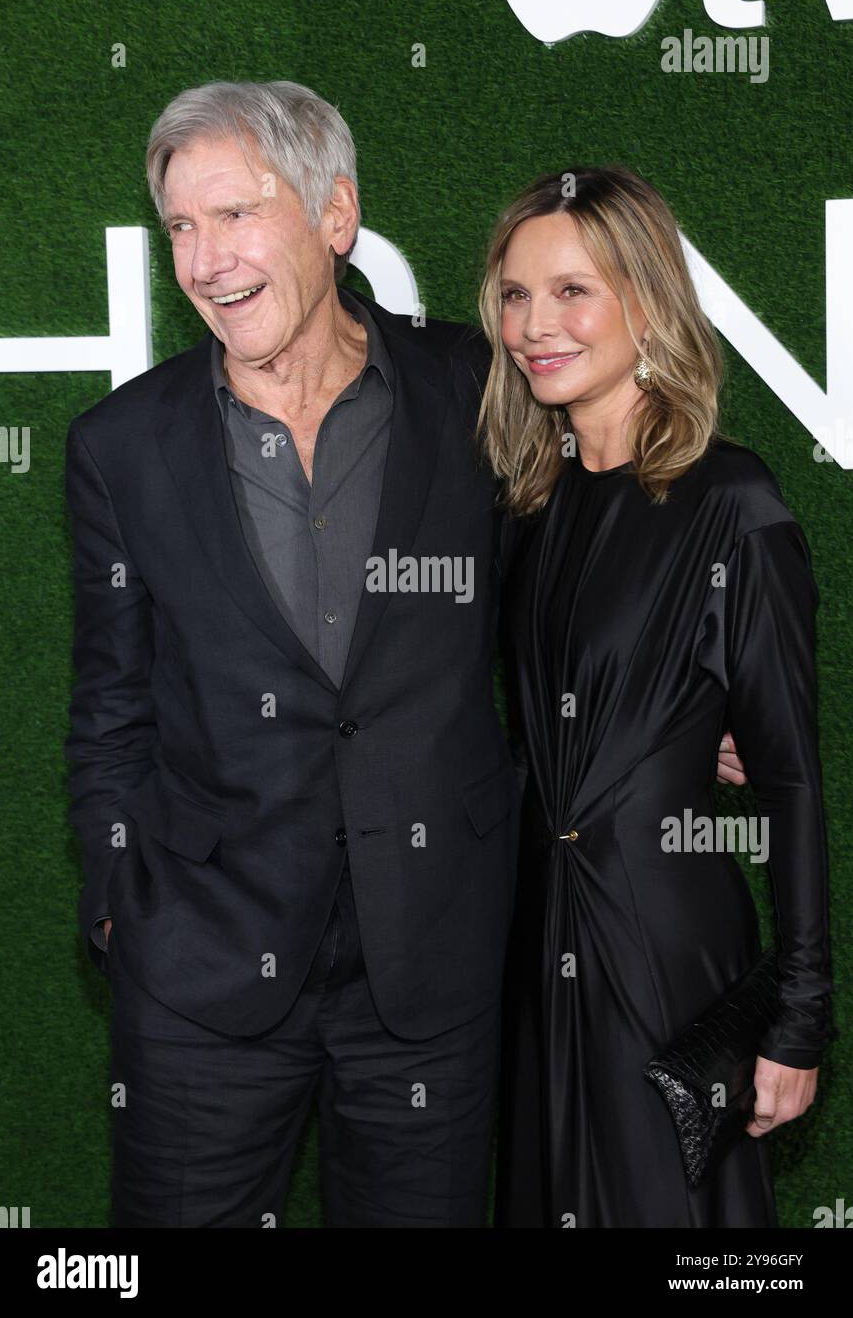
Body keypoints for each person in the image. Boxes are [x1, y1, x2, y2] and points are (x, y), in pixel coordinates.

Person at [64, 85, 742, 1228]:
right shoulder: (119, 446)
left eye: (234, 214)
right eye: (179, 226)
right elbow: (109, 709)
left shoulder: (472, 389)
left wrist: (675, 708)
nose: (205, 258)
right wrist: (124, 914)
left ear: (335, 215)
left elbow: (580, 572)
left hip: (428, 964)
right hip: (200, 976)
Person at [479, 166, 835, 1228]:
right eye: (511, 294)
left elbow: (788, 781)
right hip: (534, 949)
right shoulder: (525, 509)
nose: (533, 325)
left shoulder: (734, 503)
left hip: (666, 953)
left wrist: (798, 1017)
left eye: (571, 291)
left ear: (647, 301)